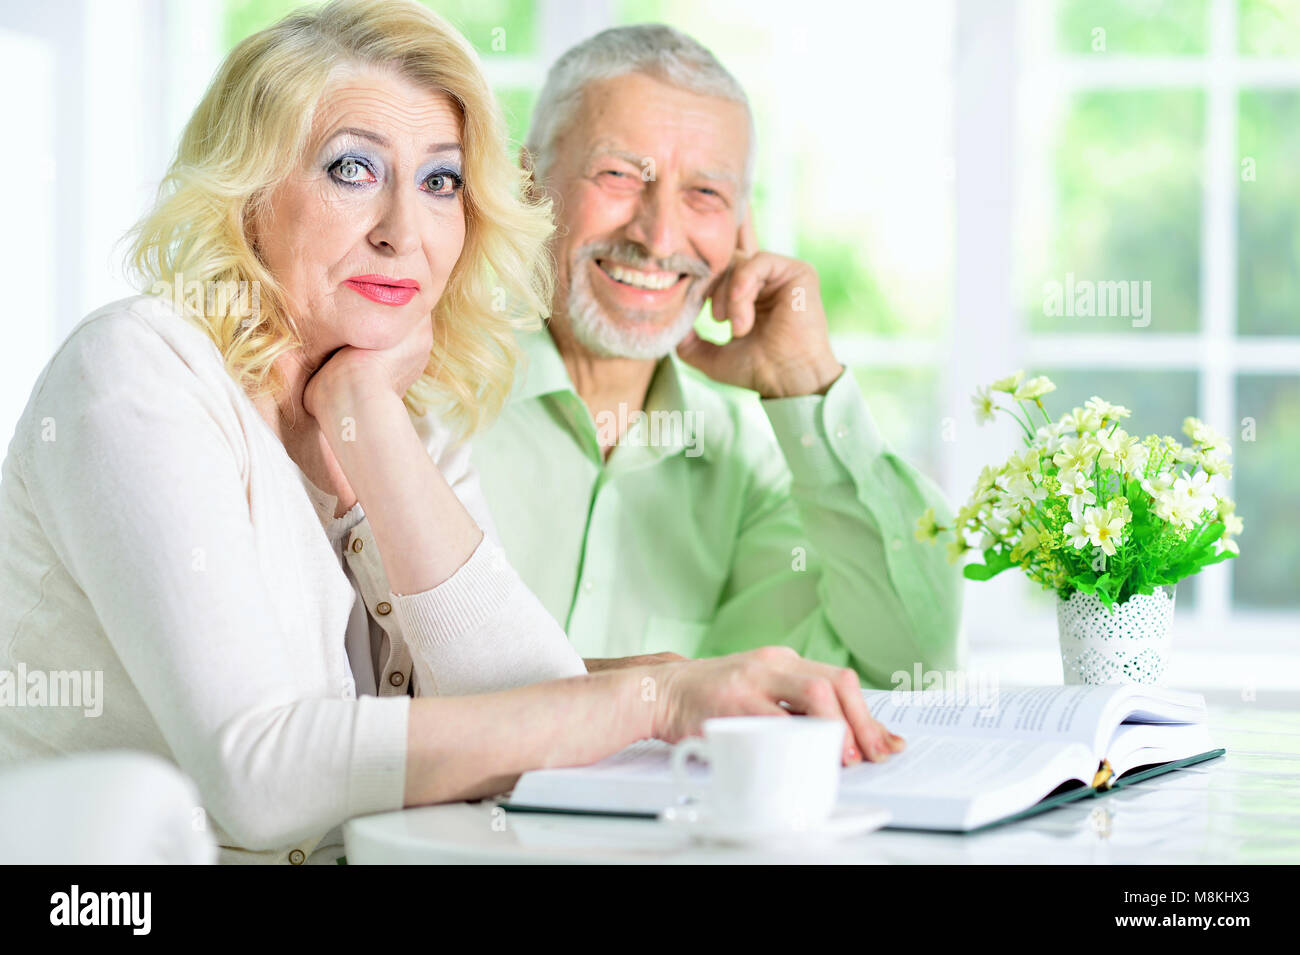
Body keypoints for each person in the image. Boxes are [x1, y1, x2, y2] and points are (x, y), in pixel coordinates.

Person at [0, 0, 899, 865]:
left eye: (440, 181)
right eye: (352, 169)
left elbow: (518, 693)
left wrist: (364, 416)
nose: (403, 231)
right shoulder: (135, 371)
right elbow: (260, 773)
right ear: (247, 192)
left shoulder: (400, 397)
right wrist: (655, 695)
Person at [471, 24, 964, 688]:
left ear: (739, 228)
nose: (658, 235)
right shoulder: (425, 403)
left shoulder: (750, 468)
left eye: (704, 193)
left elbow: (911, 655)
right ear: (529, 183)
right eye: (618, 174)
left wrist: (803, 381)